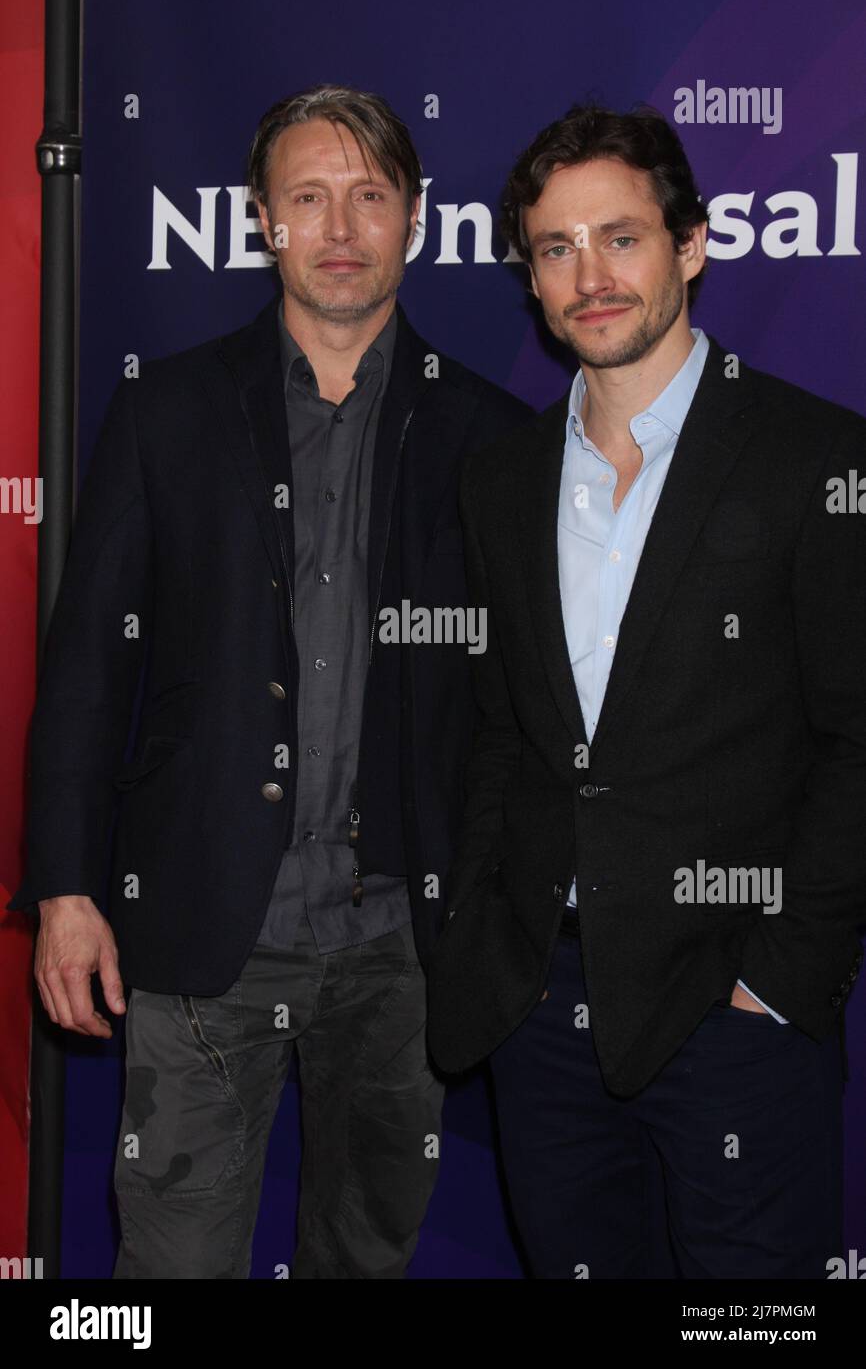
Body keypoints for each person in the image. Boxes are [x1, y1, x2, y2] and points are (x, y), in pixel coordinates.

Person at [7, 83, 532, 1279]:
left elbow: (513, 718)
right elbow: (88, 666)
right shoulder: (163, 413)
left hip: (403, 945)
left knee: (365, 1257)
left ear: (413, 218)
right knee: (172, 1265)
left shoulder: (494, 437)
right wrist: (68, 891)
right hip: (198, 924)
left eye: (367, 197)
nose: (338, 227)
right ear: (260, 220)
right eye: (307, 197)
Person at [426, 102, 866, 1279]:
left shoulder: (816, 459)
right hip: (543, 1006)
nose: (589, 276)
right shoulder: (500, 480)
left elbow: (856, 741)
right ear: (529, 277)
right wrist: (490, 948)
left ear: (692, 243)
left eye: (618, 238)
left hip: (734, 1007)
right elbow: (501, 738)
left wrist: (774, 982)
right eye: (556, 249)